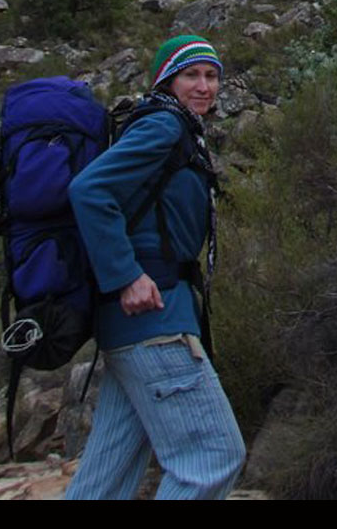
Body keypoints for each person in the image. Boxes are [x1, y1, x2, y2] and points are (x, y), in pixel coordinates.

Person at [64, 35, 246, 500]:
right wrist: (126, 275)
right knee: (212, 458)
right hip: (154, 319)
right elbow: (89, 190)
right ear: (166, 81)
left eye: (212, 76)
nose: (204, 86)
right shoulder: (164, 125)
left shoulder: (176, 129)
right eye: (191, 75)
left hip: (135, 326)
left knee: (105, 480)